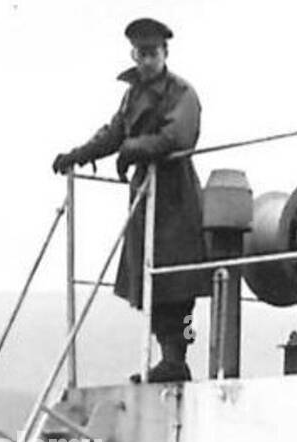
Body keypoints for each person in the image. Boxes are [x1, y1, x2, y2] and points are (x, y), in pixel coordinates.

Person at [52, 18, 209, 383]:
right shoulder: (133, 94)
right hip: (145, 197)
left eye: (153, 53)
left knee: (179, 285)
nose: (147, 60)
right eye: (141, 53)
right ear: (133, 54)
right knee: (150, 283)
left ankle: (177, 357)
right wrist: (78, 154)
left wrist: (132, 149)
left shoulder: (182, 92)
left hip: (176, 196)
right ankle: (167, 358)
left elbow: (178, 136)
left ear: (164, 53)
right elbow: (115, 132)